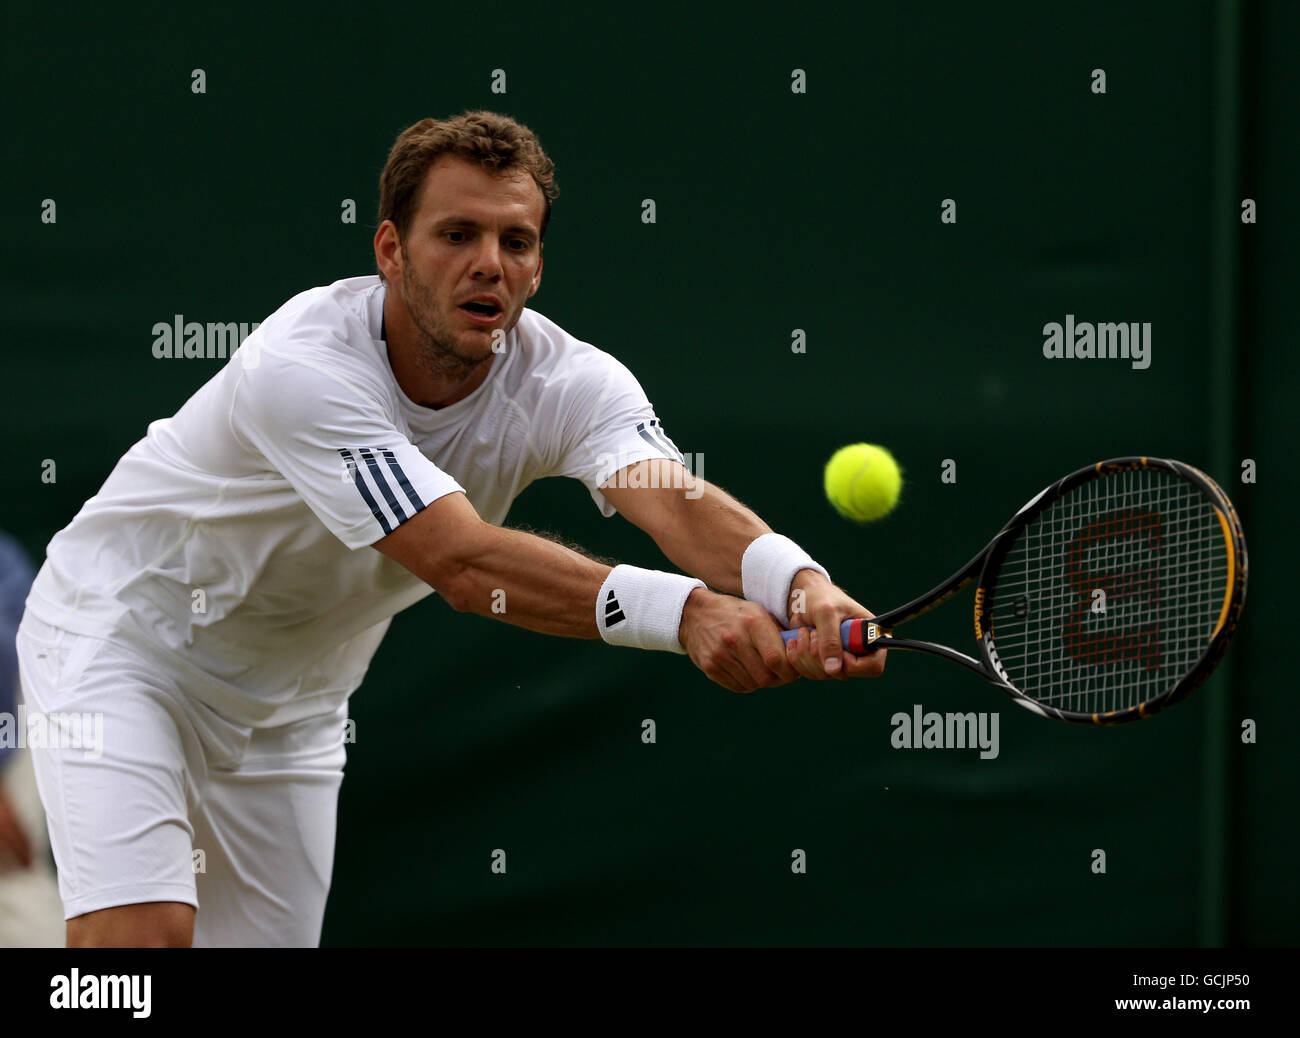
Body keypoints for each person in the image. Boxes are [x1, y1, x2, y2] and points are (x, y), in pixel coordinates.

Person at [15, 110, 885, 948]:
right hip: (125, 645)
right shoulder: (303, 369)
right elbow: (462, 563)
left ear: (539, 266)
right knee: (140, 944)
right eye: (456, 235)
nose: (489, 265)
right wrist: (689, 613)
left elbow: (675, 499)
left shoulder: (570, 380)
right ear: (391, 251)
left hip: (296, 704)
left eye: (516, 242)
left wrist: (797, 585)